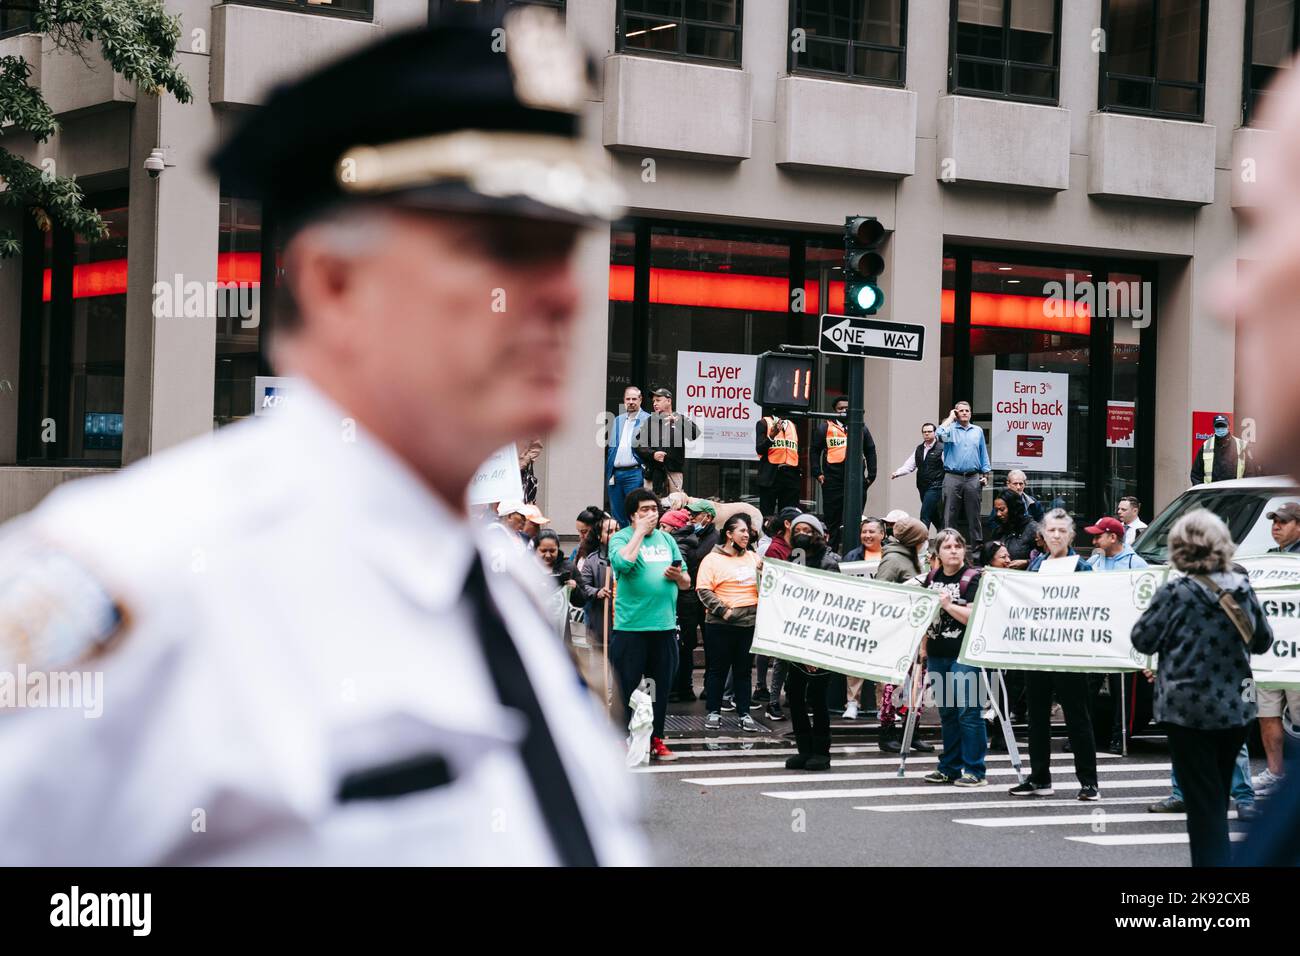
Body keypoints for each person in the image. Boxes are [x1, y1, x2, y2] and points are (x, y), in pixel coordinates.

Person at [0, 12, 645, 866]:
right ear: (336, 284)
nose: (563, 295)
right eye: (501, 249)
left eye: (564, 248)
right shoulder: (146, 576)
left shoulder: (506, 592)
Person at [1131, 510, 1273, 867]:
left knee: (1201, 801)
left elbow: (1142, 639)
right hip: (1233, 706)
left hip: (1186, 709)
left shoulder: (1174, 592)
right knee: (1217, 793)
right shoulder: (1241, 588)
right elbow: (1262, 640)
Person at [1010, 509, 1100, 801]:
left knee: (1077, 718)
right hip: (1038, 652)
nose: (1057, 535)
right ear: (1043, 534)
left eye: (1062, 530)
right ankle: (1039, 778)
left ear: (1071, 535)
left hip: (1070, 653)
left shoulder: (1081, 567)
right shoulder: (1036, 566)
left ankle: (1089, 782)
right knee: (1037, 718)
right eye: (1052, 530)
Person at [609, 488, 691, 762]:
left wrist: (677, 576)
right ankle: (619, 739)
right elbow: (623, 563)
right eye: (644, 510)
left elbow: (687, 582)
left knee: (659, 688)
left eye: (654, 509)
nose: (651, 514)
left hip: (664, 628)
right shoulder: (621, 538)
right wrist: (639, 533)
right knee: (625, 687)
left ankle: (656, 739)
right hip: (631, 629)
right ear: (632, 515)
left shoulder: (667, 539)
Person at [918, 529, 987, 788]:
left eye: (958, 546)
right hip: (939, 654)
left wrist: (948, 605)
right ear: (938, 553)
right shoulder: (931, 578)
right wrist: (923, 647)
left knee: (969, 712)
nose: (954, 551)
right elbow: (925, 616)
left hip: (966, 654)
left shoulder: (973, 578)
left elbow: (974, 617)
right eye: (947, 547)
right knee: (947, 713)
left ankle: (975, 770)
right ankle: (949, 767)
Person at [850, 518, 929, 725]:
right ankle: (888, 727)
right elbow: (881, 593)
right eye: (922, 539)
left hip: (909, 630)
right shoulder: (894, 560)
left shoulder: (910, 558)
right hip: (896, 630)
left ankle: (908, 728)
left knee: (909, 683)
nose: (925, 543)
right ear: (913, 540)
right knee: (892, 682)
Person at [782, 515, 840, 771]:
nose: (802, 533)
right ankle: (803, 750)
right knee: (794, 695)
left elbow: (832, 604)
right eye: (798, 529)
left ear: (817, 533)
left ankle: (821, 752)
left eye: (807, 529)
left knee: (817, 698)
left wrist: (815, 649)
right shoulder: (793, 559)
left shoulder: (829, 562)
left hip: (821, 639)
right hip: (795, 637)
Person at [697, 514, 762, 732]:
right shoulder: (712, 559)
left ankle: (744, 713)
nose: (747, 535)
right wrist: (724, 612)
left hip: (749, 623)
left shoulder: (753, 557)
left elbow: (765, 584)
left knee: (743, 671)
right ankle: (713, 712)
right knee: (718, 669)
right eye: (742, 531)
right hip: (721, 624)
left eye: (748, 531)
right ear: (729, 534)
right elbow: (703, 590)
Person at [669, 500, 719, 703]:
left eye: (696, 514)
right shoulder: (689, 534)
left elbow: (696, 558)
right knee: (685, 644)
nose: (691, 517)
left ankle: (710, 688)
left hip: (706, 597)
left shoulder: (716, 539)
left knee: (711, 645)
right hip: (687, 598)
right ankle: (685, 687)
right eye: (690, 514)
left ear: (708, 517)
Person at [812, 396, 877, 544]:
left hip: (856, 479)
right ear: (835, 411)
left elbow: (870, 450)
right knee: (832, 519)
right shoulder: (825, 427)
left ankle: (853, 549)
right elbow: (814, 450)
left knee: (855, 518)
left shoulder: (861, 427)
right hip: (833, 479)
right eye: (840, 408)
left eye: (847, 408)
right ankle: (832, 550)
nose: (844, 410)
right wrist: (817, 473)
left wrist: (871, 475)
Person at [936, 401, 991, 550]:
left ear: (970, 413)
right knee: (949, 516)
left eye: (967, 410)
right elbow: (938, 435)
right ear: (956, 413)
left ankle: (977, 552)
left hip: (973, 477)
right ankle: (948, 548)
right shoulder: (950, 430)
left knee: (974, 516)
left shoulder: (977, 431)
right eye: (961, 411)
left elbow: (983, 452)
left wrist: (985, 474)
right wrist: (950, 418)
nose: (965, 413)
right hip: (953, 477)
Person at [634, 388, 698, 497]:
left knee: (674, 505)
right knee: (652, 504)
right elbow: (638, 444)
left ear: (668, 401)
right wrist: (653, 454)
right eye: (654, 401)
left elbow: (694, 434)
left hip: (673, 473)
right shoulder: (650, 421)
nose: (655, 404)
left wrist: (678, 421)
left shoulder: (679, 418)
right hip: (653, 475)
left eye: (658, 400)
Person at [573, 517, 619, 650]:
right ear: (600, 536)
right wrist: (597, 592)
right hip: (602, 622)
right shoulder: (592, 560)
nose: (615, 535)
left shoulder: (630, 557)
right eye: (609, 531)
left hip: (626, 623)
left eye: (617, 530)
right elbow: (583, 587)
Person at [607, 386, 651, 526]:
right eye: (628, 399)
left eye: (634, 399)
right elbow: (612, 447)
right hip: (616, 474)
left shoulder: (648, 419)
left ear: (640, 400)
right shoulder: (618, 420)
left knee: (636, 513)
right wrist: (610, 471)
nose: (631, 402)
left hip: (635, 473)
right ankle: (622, 540)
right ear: (624, 401)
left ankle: (637, 539)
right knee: (617, 515)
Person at [891, 422, 945, 531]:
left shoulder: (941, 448)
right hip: (922, 486)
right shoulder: (919, 449)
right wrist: (898, 473)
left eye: (929, 431)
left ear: (935, 433)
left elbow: (948, 466)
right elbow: (910, 465)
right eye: (924, 432)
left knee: (925, 514)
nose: (927, 434)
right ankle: (944, 533)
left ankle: (922, 539)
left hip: (936, 486)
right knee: (933, 514)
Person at [755, 413, 802, 516]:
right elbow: (759, 449)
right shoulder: (764, 423)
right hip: (771, 474)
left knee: (789, 514)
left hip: (791, 474)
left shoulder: (793, 425)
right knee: (767, 514)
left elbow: (796, 450)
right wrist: (771, 436)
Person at [1190, 414, 1256, 485]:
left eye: (1223, 426)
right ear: (1214, 427)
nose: (1220, 429)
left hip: (1235, 490)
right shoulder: (1206, 446)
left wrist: (1243, 490)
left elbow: (1250, 473)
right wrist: (1203, 490)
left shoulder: (1241, 445)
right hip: (1212, 491)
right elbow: (1196, 475)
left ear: (1228, 426)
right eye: (1218, 426)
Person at [990, 490, 1036, 569]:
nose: (998, 514)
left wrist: (1027, 562)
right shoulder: (998, 530)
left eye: (1002, 509)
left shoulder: (1033, 529)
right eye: (996, 510)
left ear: (1013, 509)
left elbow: (1045, 559)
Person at [519, 438, 544, 504]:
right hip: (499, 470)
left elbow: (536, 446)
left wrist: (525, 460)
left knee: (518, 504)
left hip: (520, 471)